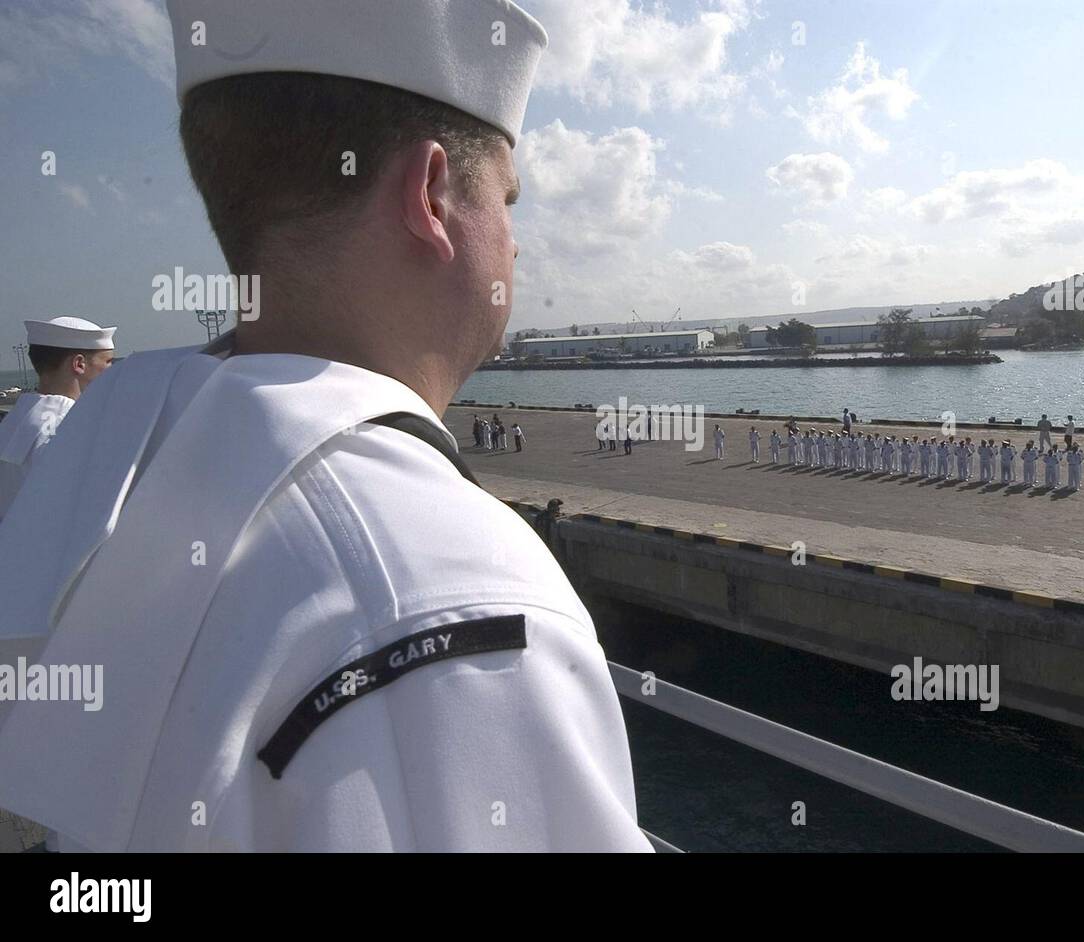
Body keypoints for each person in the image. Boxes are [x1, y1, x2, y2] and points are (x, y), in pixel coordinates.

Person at [0, 0, 648, 853]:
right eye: (506, 199)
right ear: (432, 196)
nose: (516, 246)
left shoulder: (116, 450)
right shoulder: (456, 587)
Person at [0, 317, 115, 521]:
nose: (112, 370)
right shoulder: (69, 428)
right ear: (79, 364)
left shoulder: (13, 422)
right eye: (107, 362)